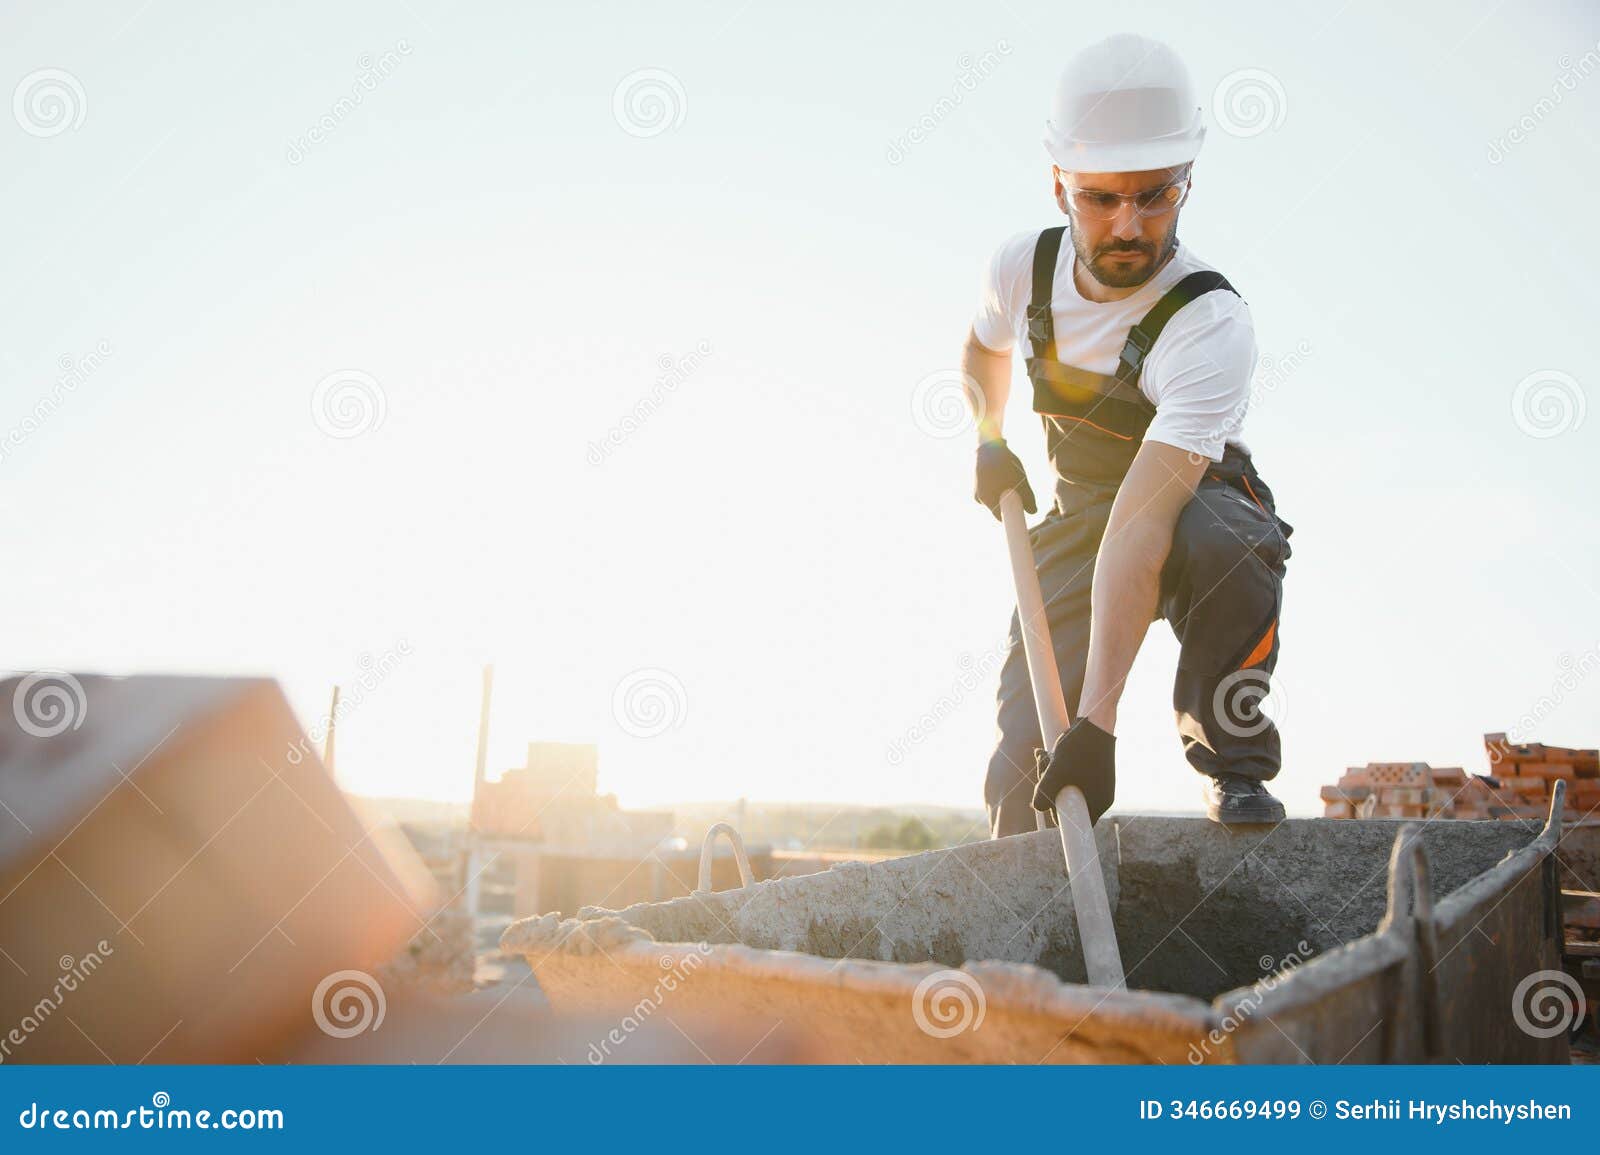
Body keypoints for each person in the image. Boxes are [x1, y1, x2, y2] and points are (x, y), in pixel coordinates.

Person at [964, 33, 1295, 837]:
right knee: (1027, 753)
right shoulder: (1021, 271)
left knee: (1229, 546)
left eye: (1155, 196)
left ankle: (1235, 763)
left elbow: (1143, 525)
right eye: (1101, 198)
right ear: (1059, 186)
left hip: (1187, 502)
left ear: (1187, 182)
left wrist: (1099, 726)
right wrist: (989, 435)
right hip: (1081, 513)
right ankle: (1024, 880)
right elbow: (982, 347)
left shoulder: (1208, 321)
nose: (1128, 225)